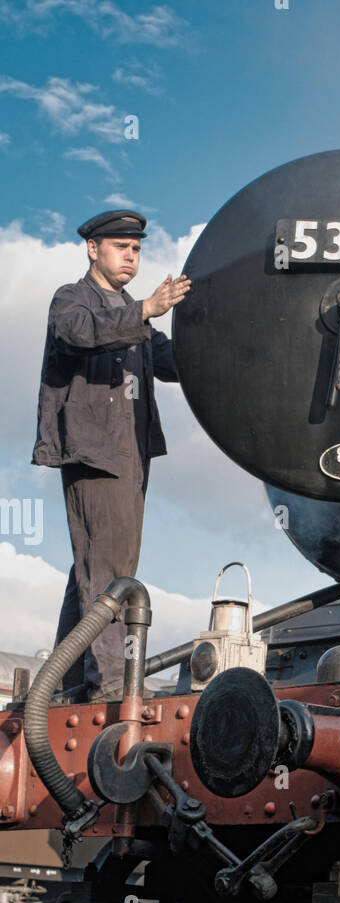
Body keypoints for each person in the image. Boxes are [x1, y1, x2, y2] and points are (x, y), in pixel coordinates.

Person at [32, 210, 190, 700]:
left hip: (132, 456)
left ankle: (64, 685)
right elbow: (78, 333)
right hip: (94, 452)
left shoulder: (133, 312)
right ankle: (110, 690)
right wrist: (144, 309)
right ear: (92, 248)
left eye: (137, 249)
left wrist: (220, 338)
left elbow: (176, 363)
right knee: (111, 572)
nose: (130, 256)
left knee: (93, 569)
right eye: (121, 246)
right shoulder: (73, 299)